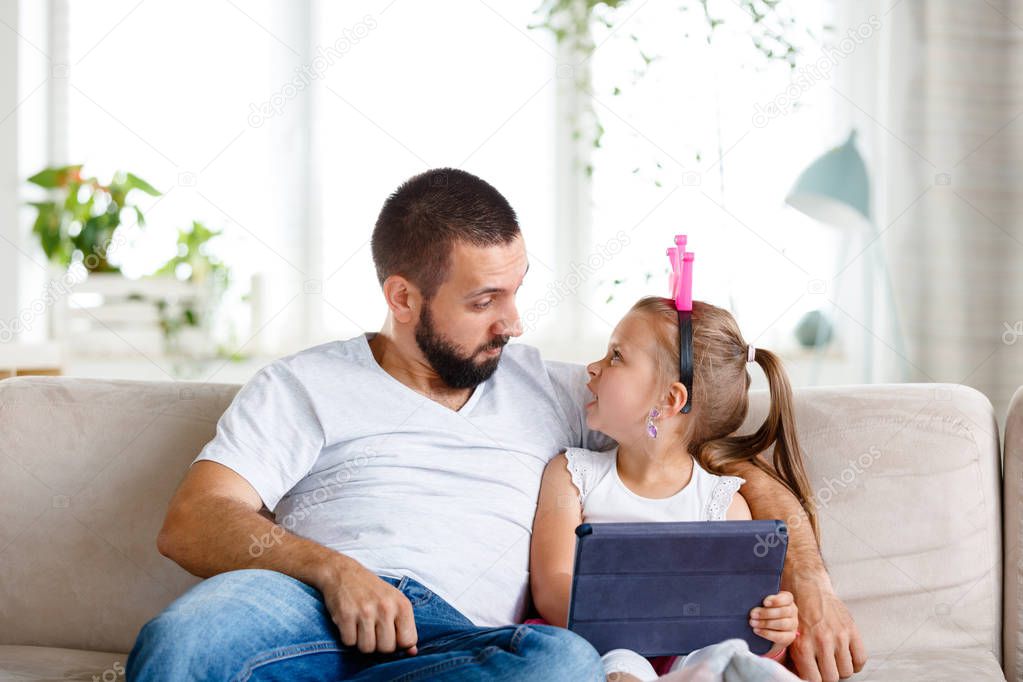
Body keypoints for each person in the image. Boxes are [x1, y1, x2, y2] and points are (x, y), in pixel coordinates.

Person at [126, 168, 865, 681]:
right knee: (188, 637)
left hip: (467, 647)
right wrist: (334, 571)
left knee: (563, 665)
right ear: (403, 298)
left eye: (515, 292)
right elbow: (193, 519)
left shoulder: (553, 390)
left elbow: (719, 464)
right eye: (484, 301)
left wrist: (810, 581)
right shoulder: (302, 385)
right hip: (310, 613)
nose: (512, 322)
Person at [529, 297, 813, 680]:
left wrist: (773, 626)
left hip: (692, 653)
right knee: (622, 665)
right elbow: (552, 587)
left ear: (669, 399)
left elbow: (738, 614)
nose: (592, 367)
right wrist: (637, 623)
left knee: (726, 659)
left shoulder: (722, 504)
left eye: (616, 356)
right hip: (603, 644)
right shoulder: (572, 476)